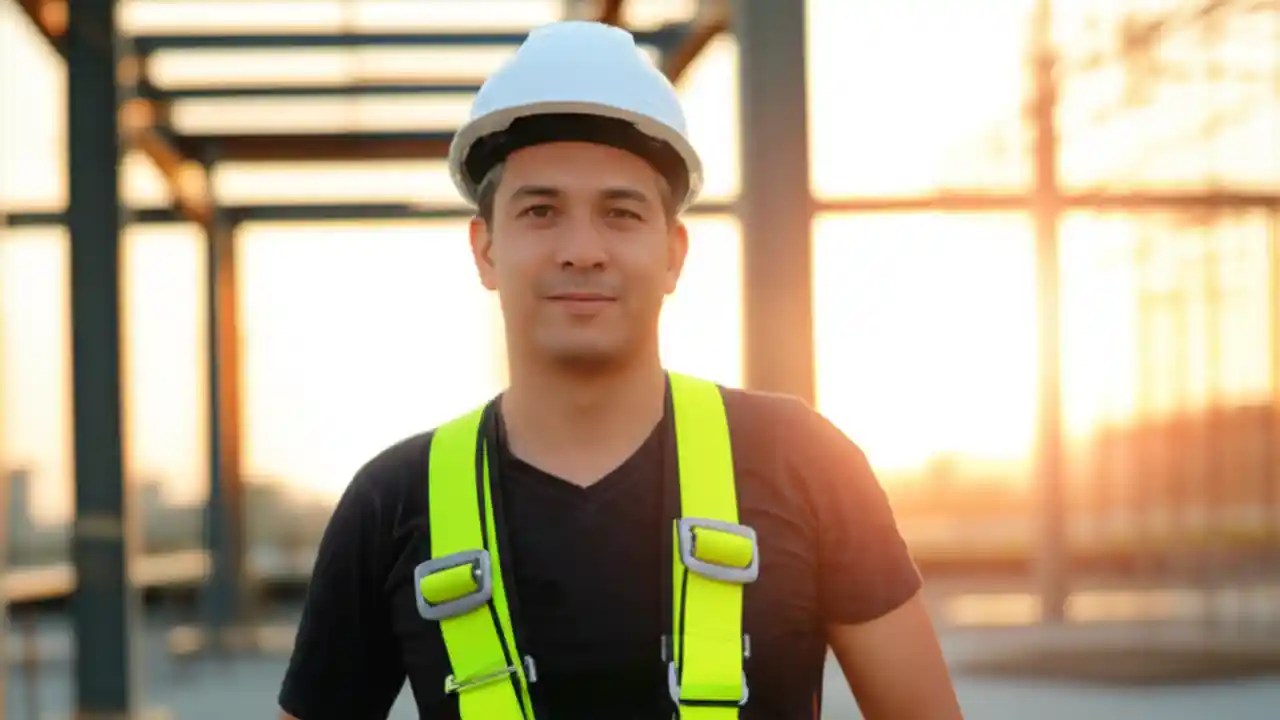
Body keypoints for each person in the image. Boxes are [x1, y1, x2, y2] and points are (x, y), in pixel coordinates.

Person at [278, 19, 962, 720]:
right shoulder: (391, 505)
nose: (582, 249)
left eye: (621, 213)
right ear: (485, 250)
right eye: (541, 210)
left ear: (673, 253)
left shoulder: (805, 465)